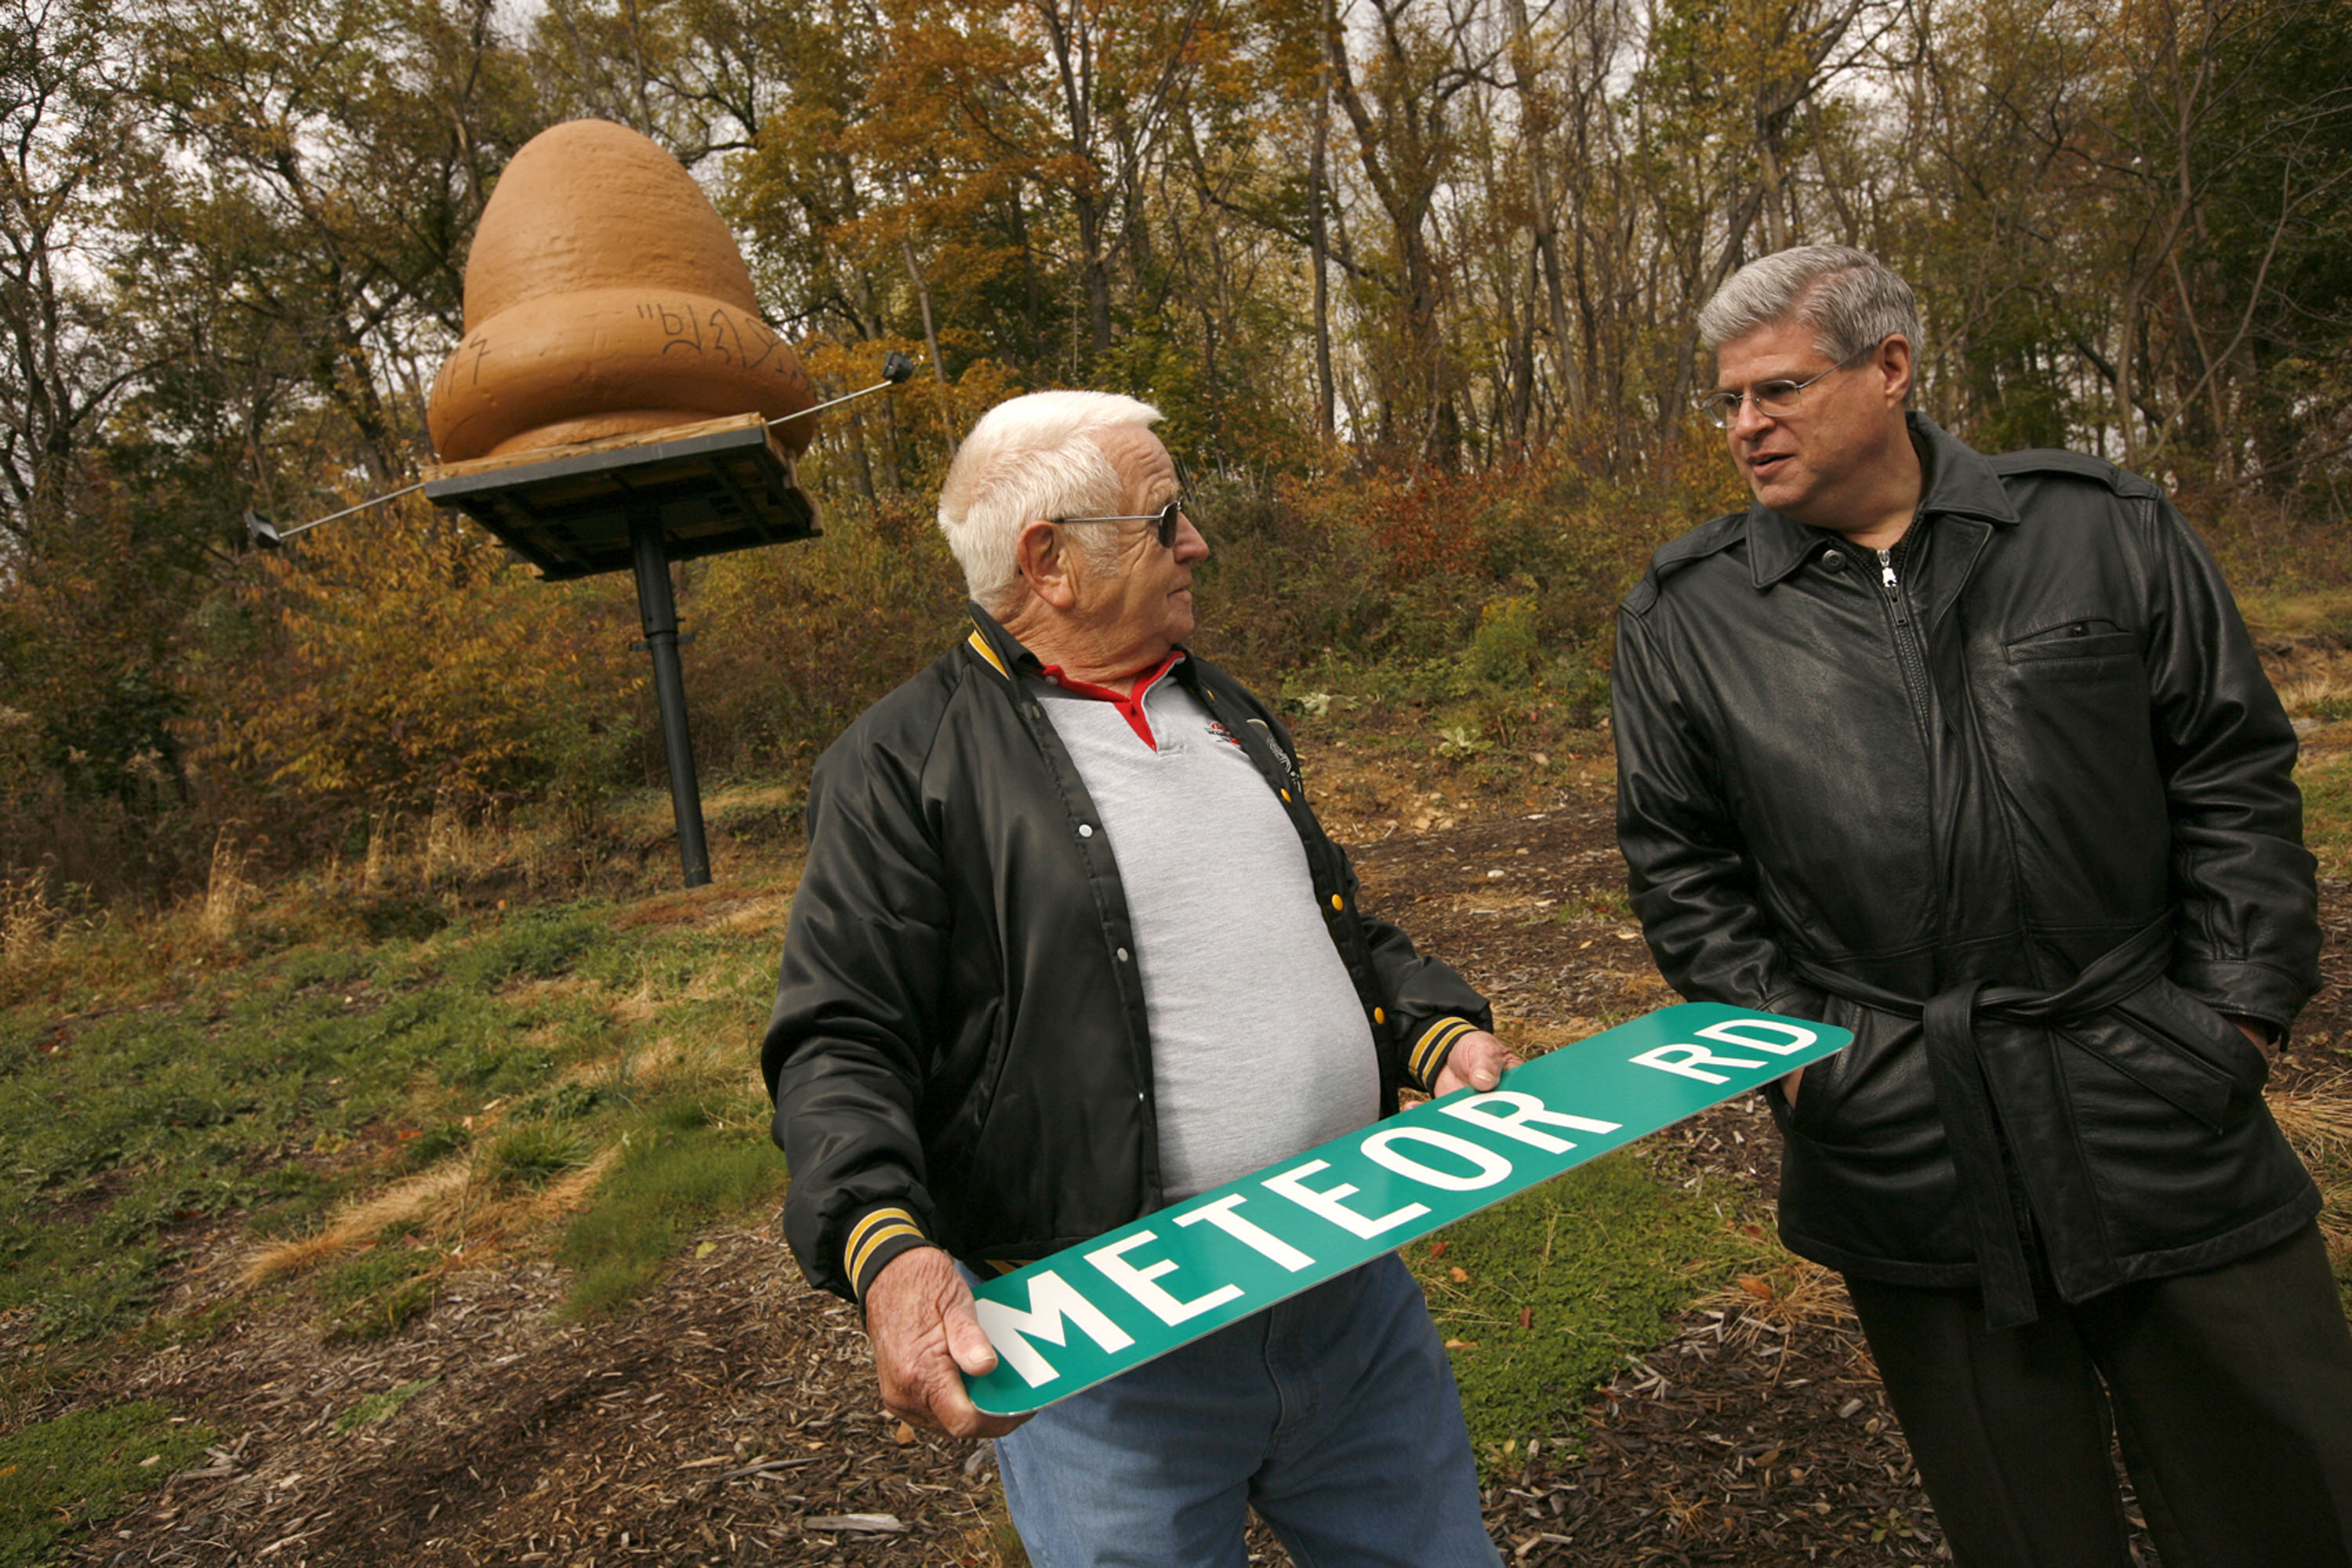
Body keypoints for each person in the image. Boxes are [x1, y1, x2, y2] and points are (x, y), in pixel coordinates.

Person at [1611, 244, 2352, 1567]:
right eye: (1727, 403)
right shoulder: (1690, 613)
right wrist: (1816, 1068)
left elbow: (2231, 772)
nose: (1743, 428)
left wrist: (2232, 1021)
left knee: (2291, 1486)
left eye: (1776, 390)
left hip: (2157, 1092)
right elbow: (1682, 871)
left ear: (1889, 368)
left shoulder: (2100, 526)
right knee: (2024, 1529)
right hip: (1906, 1132)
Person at [762, 390, 1509, 1567]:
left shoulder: (1225, 709)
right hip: (1116, 1356)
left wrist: (1432, 1031)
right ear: (1048, 561)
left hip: (1349, 1294)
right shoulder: (901, 765)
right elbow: (841, 1036)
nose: (1198, 543)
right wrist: (885, 1248)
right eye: (1168, 519)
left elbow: (1337, 930)